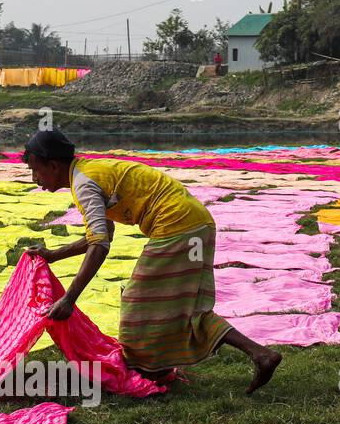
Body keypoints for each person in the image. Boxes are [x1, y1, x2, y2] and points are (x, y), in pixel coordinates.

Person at [23, 128, 282, 394]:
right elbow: (103, 235)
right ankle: (260, 354)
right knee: (190, 307)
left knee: (136, 301)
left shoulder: (83, 183)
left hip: (177, 228)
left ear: (53, 165)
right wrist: (55, 255)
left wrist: (70, 298)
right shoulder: (90, 172)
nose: (35, 178)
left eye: (35, 170)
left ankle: (148, 368)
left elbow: (99, 245)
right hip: (196, 225)